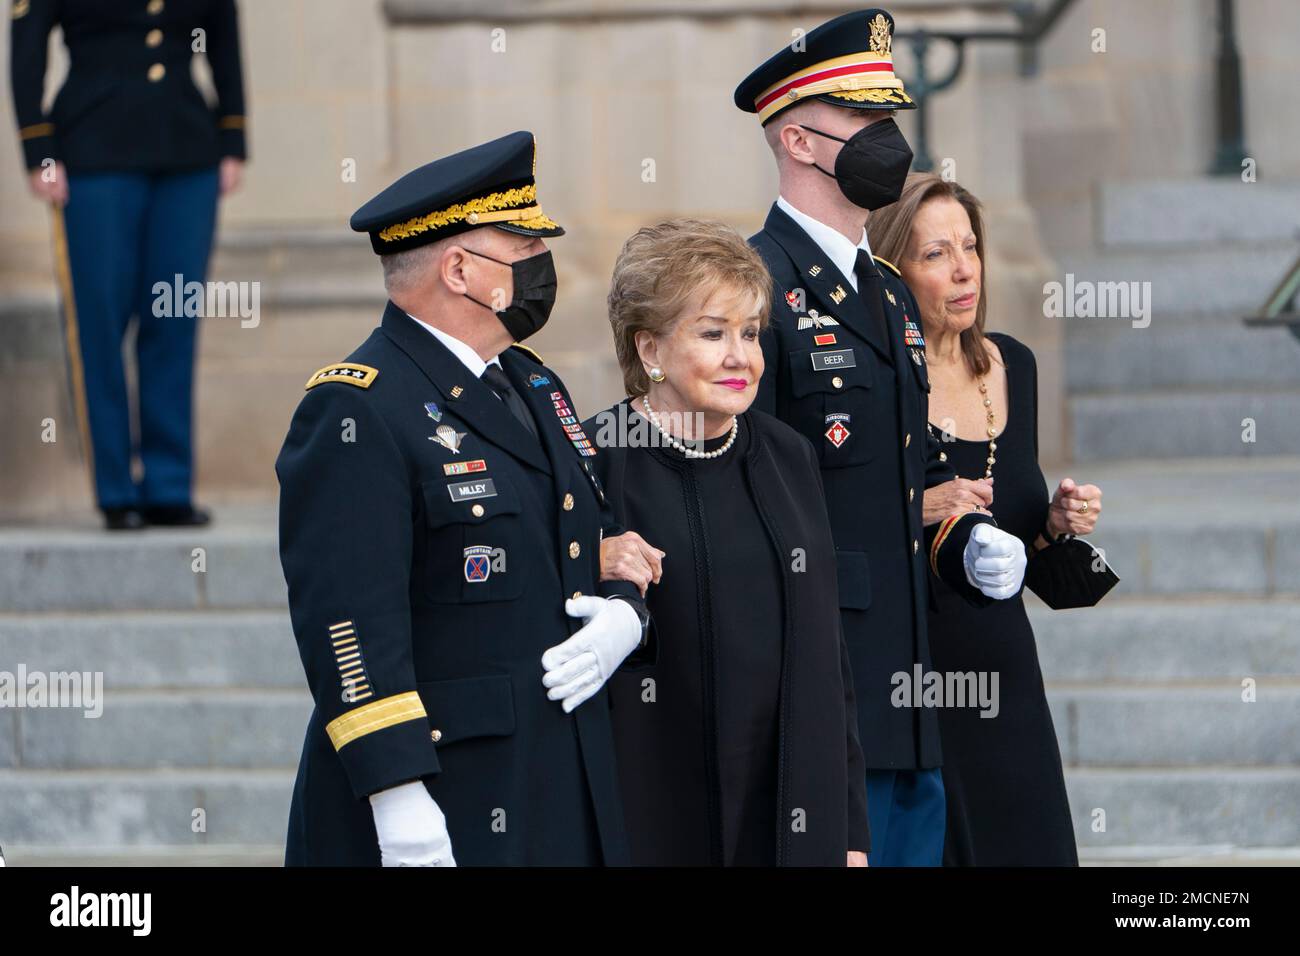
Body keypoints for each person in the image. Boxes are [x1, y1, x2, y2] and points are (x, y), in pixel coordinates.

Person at [276, 131, 651, 866]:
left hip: (558, 773)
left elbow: (594, 535)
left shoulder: (534, 385)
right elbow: (347, 623)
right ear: (458, 270)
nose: (543, 267)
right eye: (522, 251)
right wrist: (397, 791)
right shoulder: (358, 409)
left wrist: (621, 612)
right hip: (447, 792)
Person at [733, 8, 1028, 866]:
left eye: (887, 119)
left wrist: (966, 538)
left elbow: (917, 467)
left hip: (909, 674)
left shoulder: (890, 292)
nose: (886, 142)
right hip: (818, 681)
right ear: (799, 141)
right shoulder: (757, 287)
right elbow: (752, 491)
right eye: (863, 123)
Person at [585, 218, 870, 866]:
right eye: (713, 334)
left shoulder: (787, 455)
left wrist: (850, 831)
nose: (741, 356)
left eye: (749, 333)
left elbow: (831, 661)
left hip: (788, 821)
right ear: (649, 349)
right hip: (652, 821)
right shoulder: (594, 460)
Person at [868, 173, 1105, 865]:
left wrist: (1056, 526)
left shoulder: (1015, 365)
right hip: (917, 674)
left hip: (1007, 673)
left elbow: (1019, 555)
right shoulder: (877, 381)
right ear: (892, 271)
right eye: (935, 254)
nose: (963, 267)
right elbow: (842, 521)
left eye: (968, 246)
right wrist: (917, 510)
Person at [10, 0, 249, 530]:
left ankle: (167, 485)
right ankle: (116, 487)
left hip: (187, 151)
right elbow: (27, 48)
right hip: (94, 152)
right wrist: (37, 148)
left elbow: (223, 36)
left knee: (174, 319)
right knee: (99, 322)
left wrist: (232, 136)